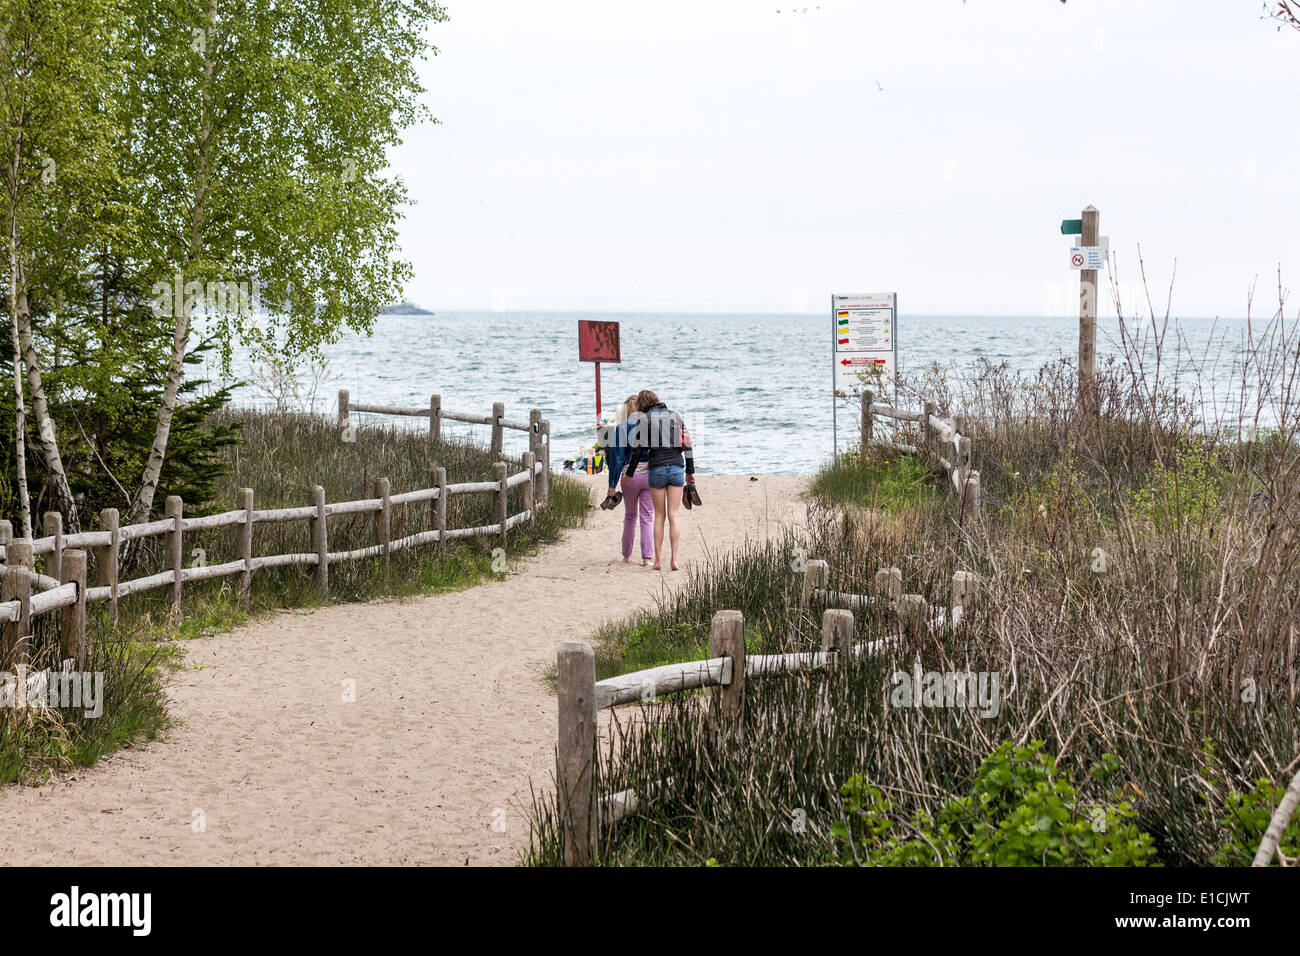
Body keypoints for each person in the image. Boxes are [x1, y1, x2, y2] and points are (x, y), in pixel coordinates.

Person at [619, 389, 696, 571]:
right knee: (674, 515)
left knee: (659, 516)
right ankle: (674, 560)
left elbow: (637, 450)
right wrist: (690, 471)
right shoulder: (676, 416)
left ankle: (659, 561)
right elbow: (688, 444)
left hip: (657, 470)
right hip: (677, 468)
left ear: (642, 405)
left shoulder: (644, 420)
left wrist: (630, 473)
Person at [601, 395, 654, 565]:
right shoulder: (650, 426)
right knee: (647, 517)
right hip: (648, 476)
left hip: (629, 478)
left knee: (630, 516)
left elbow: (617, 459)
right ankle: (647, 558)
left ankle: (627, 556)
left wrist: (611, 485)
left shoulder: (622, 428)